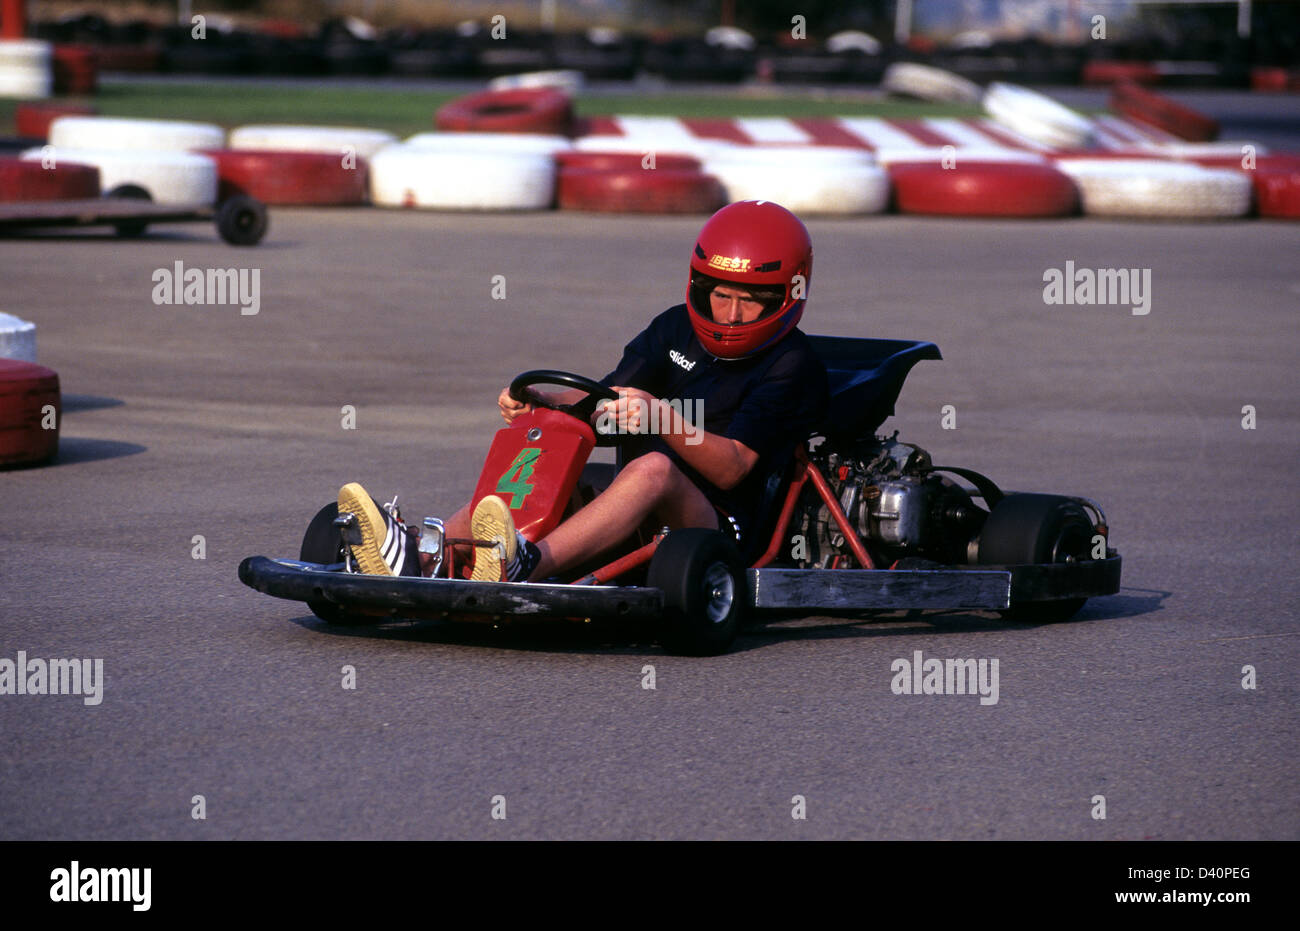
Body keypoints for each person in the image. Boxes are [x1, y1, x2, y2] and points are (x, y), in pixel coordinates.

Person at [336, 200, 829, 583]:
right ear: (700, 284)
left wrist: (660, 417)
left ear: (790, 295)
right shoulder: (675, 328)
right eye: (721, 295)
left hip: (721, 529)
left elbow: (734, 467)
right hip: (634, 508)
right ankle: (421, 557)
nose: (732, 315)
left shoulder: (791, 363)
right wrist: (545, 405)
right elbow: (607, 404)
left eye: (750, 300)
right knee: (552, 452)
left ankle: (526, 564)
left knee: (653, 468)